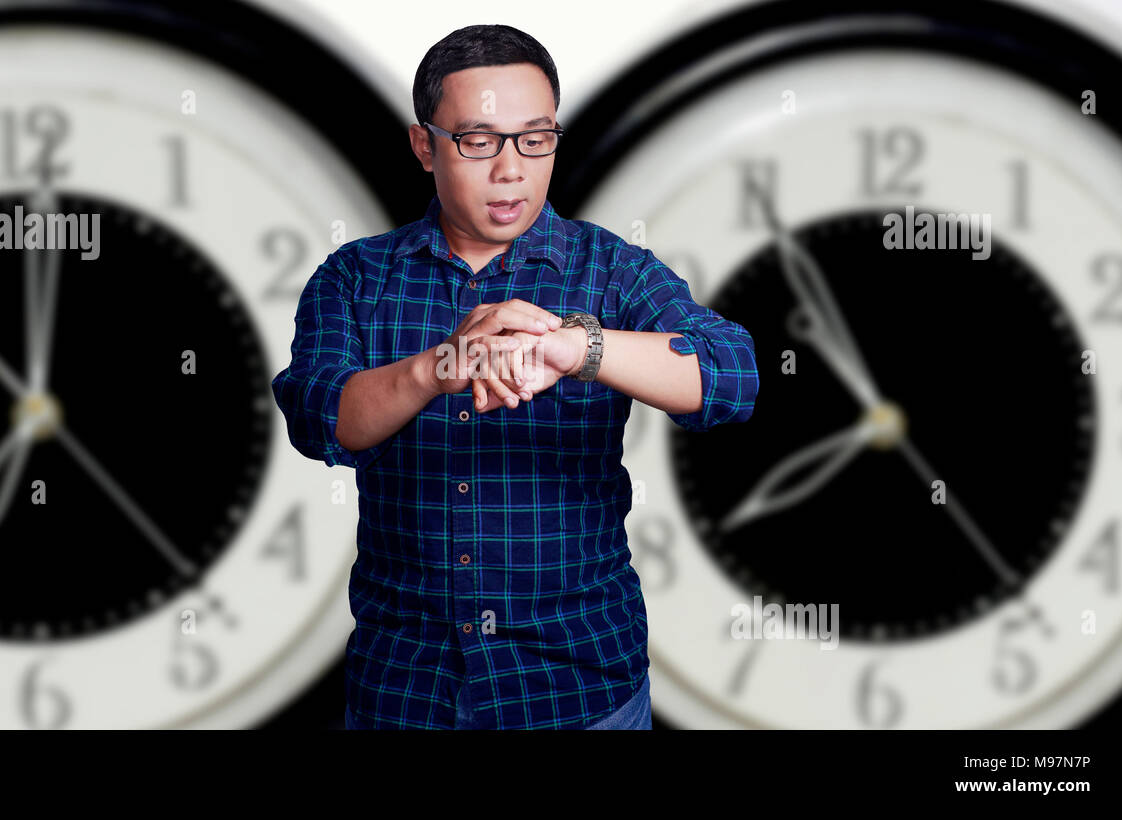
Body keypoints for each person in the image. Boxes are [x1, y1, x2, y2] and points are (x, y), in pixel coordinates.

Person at [271, 24, 759, 730]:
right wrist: (437, 369)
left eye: (536, 138)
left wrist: (578, 348)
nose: (512, 169)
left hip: (579, 688)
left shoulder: (611, 268)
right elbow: (318, 419)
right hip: (406, 689)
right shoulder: (356, 276)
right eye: (478, 140)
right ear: (423, 145)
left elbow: (733, 376)